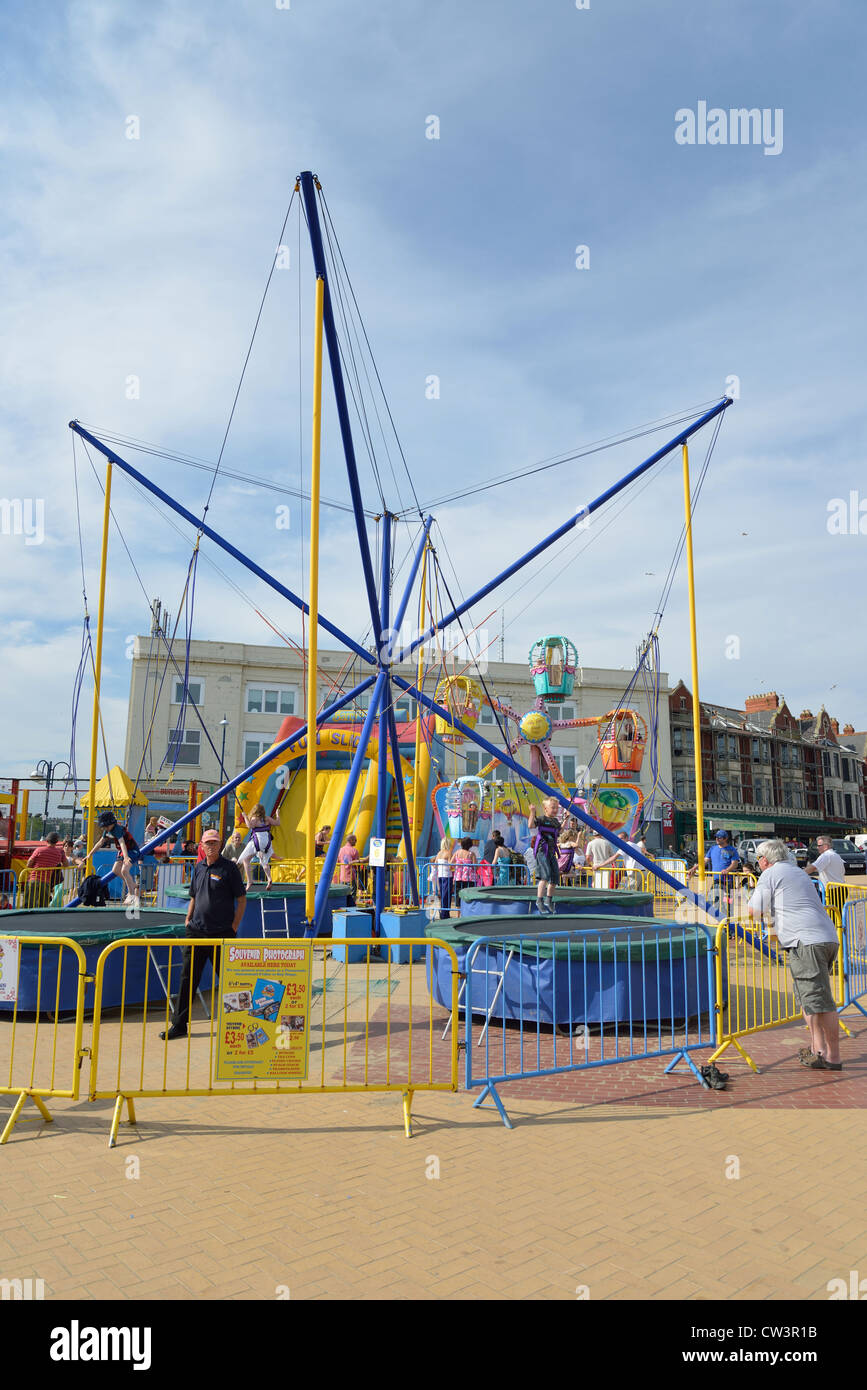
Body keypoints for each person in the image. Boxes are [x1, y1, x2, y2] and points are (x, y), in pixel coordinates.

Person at [748, 839, 841, 1070]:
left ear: (764, 860)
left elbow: (753, 910)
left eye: (758, 858)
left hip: (806, 942)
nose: (758, 863)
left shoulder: (770, 875)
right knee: (808, 998)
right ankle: (817, 1049)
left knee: (821, 1001)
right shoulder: (797, 872)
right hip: (826, 937)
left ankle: (832, 1057)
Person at [161, 829, 247, 1040]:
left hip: (222, 933)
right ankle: (179, 1025)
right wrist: (188, 918)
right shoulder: (199, 867)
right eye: (208, 843)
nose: (212, 846)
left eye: (215, 842)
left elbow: (242, 899)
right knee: (187, 979)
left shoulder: (229, 869)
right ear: (202, 845)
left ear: (220, 844)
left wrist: (234, 927)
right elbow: (194, 895)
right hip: (196, 932)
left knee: (230, 980)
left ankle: (239, 1023)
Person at [89, 811, 140, 904]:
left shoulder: (117, 829)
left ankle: (131, 894)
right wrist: (90, 854)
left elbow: (122, 843)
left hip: (132, 850)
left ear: (111, 824)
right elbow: (100, 842)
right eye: (104, 827)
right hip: (123, 851)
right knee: (115, 870)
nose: (105, 829)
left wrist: (126, 857)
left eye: (106, 827)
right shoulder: (108, 830)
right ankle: (133, 885)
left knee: (124, 870)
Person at [528, 798, 561, 914]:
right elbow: (531, 825)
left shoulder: (556, 822)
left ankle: (549, 900)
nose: (555, 810)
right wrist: (532, 812)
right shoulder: (541, 819)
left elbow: (559, 831)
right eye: (553, 807)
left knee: (555, 877)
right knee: (545, 876)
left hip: (552, 851)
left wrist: (566, 820)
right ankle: (539, 900)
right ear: (545, 808)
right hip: (542, 851)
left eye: (557, 808)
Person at [238, 802, 281, 890]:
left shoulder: (254, 819)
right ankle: (269, 878)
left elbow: (249, 825)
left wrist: (245, 816)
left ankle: (250, 881)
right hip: (267, 841)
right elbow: (277, 823)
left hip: (258, 840)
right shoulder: (267, 818)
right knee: (264, 861)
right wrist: (277, 814)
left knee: (245, 859)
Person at [702, 830, 741, 916]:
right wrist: (694, 868)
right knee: (712, 900)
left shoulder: (731, 850)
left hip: (728, 882)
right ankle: (721, 920)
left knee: (727, 905)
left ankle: (729, 924)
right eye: (716, 837)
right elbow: (704, 861)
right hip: (717, 880)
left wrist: (727, 870)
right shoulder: (713, 849)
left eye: (719, 837)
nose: (717, 839)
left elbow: (734, 864)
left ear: (725, 838)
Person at [26, 831, 68, 907]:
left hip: (33, 879)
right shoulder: (59, 853)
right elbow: (66, 865)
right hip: (46, 881)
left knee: (29, 903)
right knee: (43, 905)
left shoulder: (39, 850)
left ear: (47, 840)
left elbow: (29, 863)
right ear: (56, 841)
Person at [336, 833, 364, 906]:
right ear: (350, 840)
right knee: (352, 896)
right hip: (351, 877)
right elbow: (357, 865)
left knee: (342, 896)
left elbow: (338, 862)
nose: (356, 841)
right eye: (355, 840)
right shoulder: (354, 850)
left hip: (342, 877)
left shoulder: (340, 850)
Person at [451, 837, 477, 910]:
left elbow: (451, 863)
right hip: (469, 878)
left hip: (458, 877)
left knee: (458, 895)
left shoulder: (457, 852)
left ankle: (458, 914)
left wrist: (457, 867)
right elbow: (476, 867)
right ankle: (467, 912)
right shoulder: (471, 854)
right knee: (468, 896)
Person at [433, 837, 455, 917]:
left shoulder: (439, 853)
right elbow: (450, 866)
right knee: (447, 896)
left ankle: (443, 912)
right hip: (447, 876)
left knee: (443, 895)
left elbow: (435, 865)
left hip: (440, 876)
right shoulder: (449, 853)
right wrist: (455, 866)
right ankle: (445, 913)